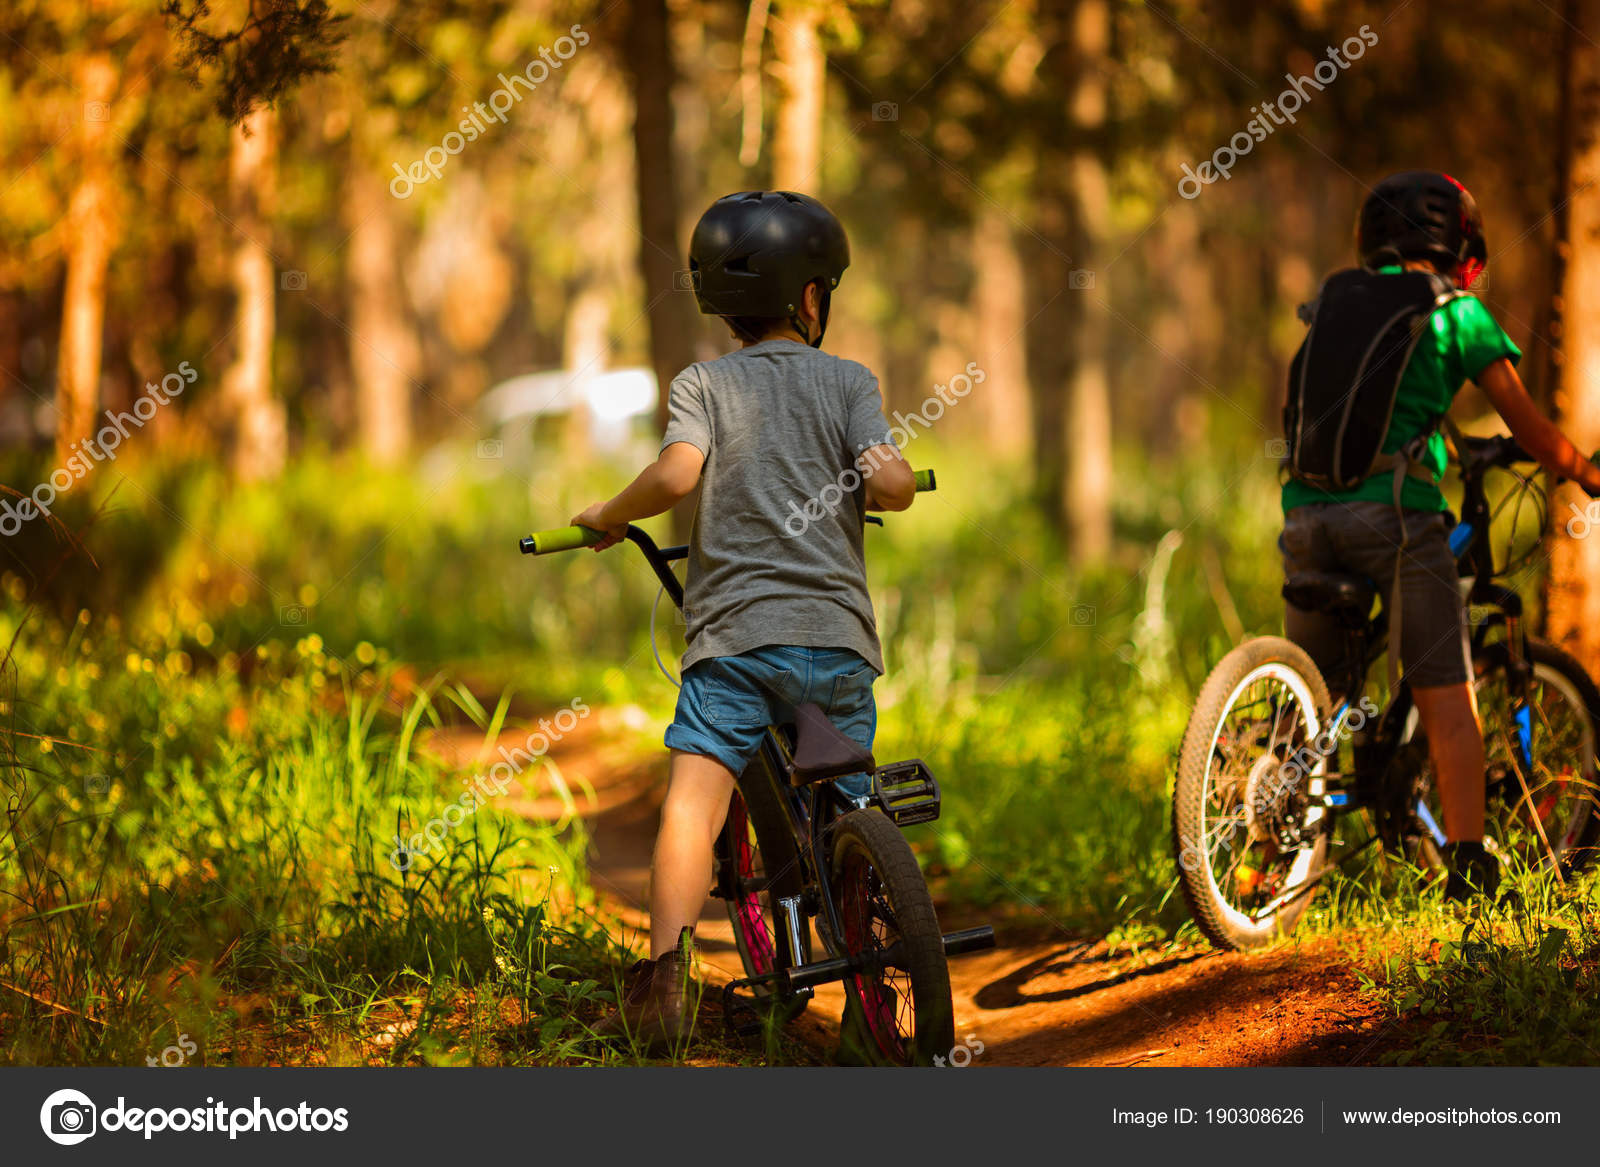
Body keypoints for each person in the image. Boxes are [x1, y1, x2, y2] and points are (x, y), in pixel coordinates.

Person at [575, 190, 915, 1046]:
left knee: (691, 801)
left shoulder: (702, 384)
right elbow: (889, 485)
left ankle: (662, 984)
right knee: (847, 794)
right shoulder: (848, 381)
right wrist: (893, 475)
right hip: (837, 645)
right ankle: (872, 953)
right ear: (810, 299)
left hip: (733, 648)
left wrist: (612, 513)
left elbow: (678, 475)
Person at [1281, 170, 1600, 901]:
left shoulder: (1338, 298)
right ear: (1459, 245)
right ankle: (1468, 866)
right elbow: (1529, 427)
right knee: (1446, 692)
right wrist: (1584, 471)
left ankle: (1269, 846)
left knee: (1318, 693)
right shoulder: (1457, 313)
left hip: (1304, 514)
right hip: (1394, 519)